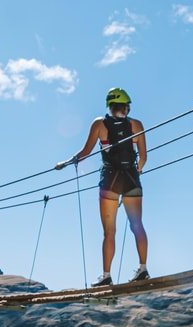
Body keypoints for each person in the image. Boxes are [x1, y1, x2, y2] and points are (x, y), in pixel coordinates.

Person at [56, 87, 149, 286]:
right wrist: (136, 172)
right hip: (131, 179)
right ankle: (143, 269)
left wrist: (65, 163)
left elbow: (85, 152)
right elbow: (143, 158)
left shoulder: (99, 125)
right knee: (137, 226)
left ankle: (106, 276)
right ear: (126, 106)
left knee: (109, 232)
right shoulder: (137, 125)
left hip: (109, 181)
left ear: (110, 105)